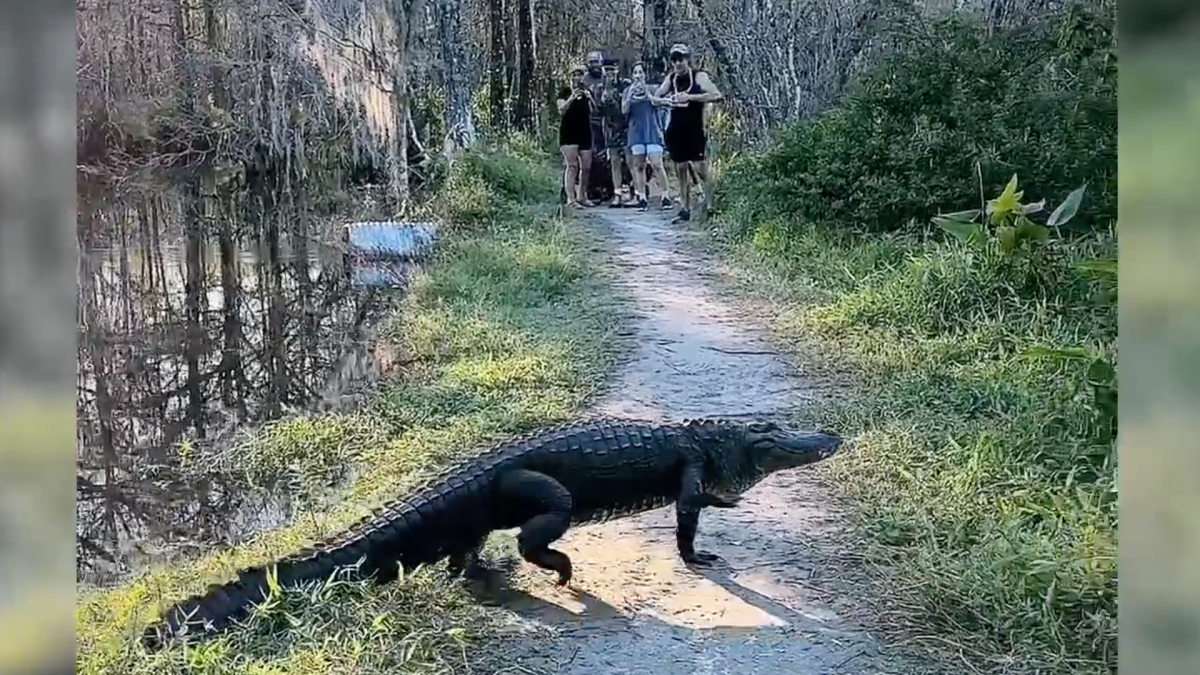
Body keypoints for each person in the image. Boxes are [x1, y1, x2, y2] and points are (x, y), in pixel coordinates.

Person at [653, 43, 722, 224]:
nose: (677, 63)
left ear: (687, 59)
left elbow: (716, 95)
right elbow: (657, 97)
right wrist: (667, 100)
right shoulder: (671, 78)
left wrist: (690, 97)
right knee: (680, 169)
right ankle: (685, 209)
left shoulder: (699, 76)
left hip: (695, 130)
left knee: (701, 169)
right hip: (676, 131)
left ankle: (711, 206)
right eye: (674, 60)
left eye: (680, 59)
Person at [622, 61, 673, 211]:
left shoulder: (653, 88)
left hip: (652, 131)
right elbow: (624, 110)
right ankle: (642, 197)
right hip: (636, 132)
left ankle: (665, 196)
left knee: (657, 164)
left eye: (641, 73)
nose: (638, 76)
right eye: (635, 73)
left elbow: (656, 102)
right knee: (638, 166)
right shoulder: (627, 91)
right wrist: (630, 96)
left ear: (645, 75)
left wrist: (646, 90)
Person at [556, 65, 596, 208]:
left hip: (584, 130)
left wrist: (590, 98)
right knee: (572, 165)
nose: (576, 78)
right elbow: (561, 109)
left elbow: (592, 110)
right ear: (570, 76)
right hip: (569, 132)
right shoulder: (565, 91)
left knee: (586, 166)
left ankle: (582, 196)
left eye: (579, 75)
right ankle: (570, 199)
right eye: (574, 75)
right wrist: (572, 97)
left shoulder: (586, 91)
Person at [600, 66, 633, 207]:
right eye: (607, 71)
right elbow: (598, 110)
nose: (610, 73)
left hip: (626, 127)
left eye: (612, 70)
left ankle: (636, 192)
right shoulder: (601, 87)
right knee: (615, 162)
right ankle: (617, 194)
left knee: (631, 161)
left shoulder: (625, 84)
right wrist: (603, 99)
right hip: (610, 129)